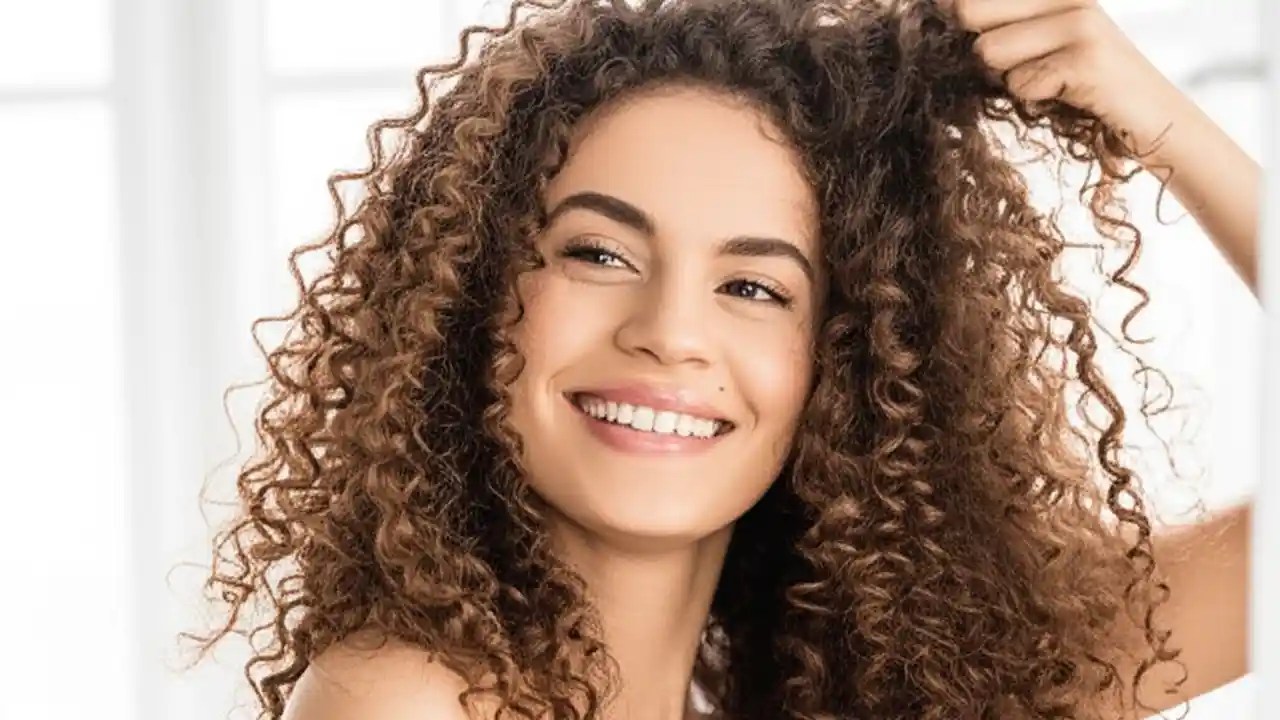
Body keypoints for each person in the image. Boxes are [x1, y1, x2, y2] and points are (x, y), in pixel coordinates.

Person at [186, 0, 1259, 718]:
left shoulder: (871, 688)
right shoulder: (408, 700)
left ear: (845, 369)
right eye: (598, 253)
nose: (671, 330)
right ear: (470, 303)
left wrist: (1161, 121)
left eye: (753, 286)